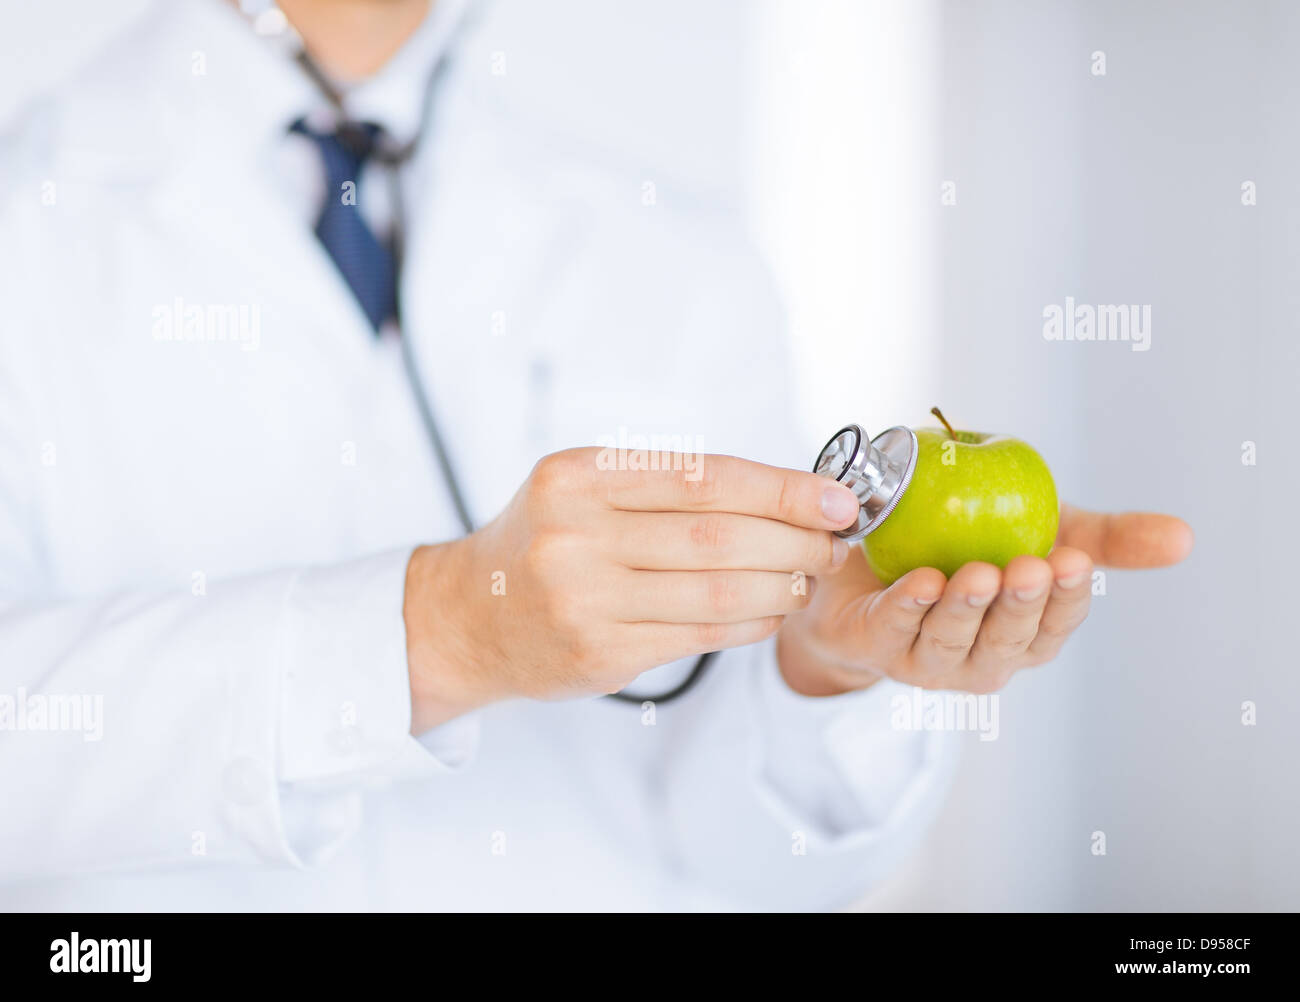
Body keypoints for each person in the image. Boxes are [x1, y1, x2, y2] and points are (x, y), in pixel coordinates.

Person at [0, 0, 1192, 911]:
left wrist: (817, 669)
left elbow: (745, 863)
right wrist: (438, 631)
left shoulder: (674, 246)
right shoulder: (30, 213)